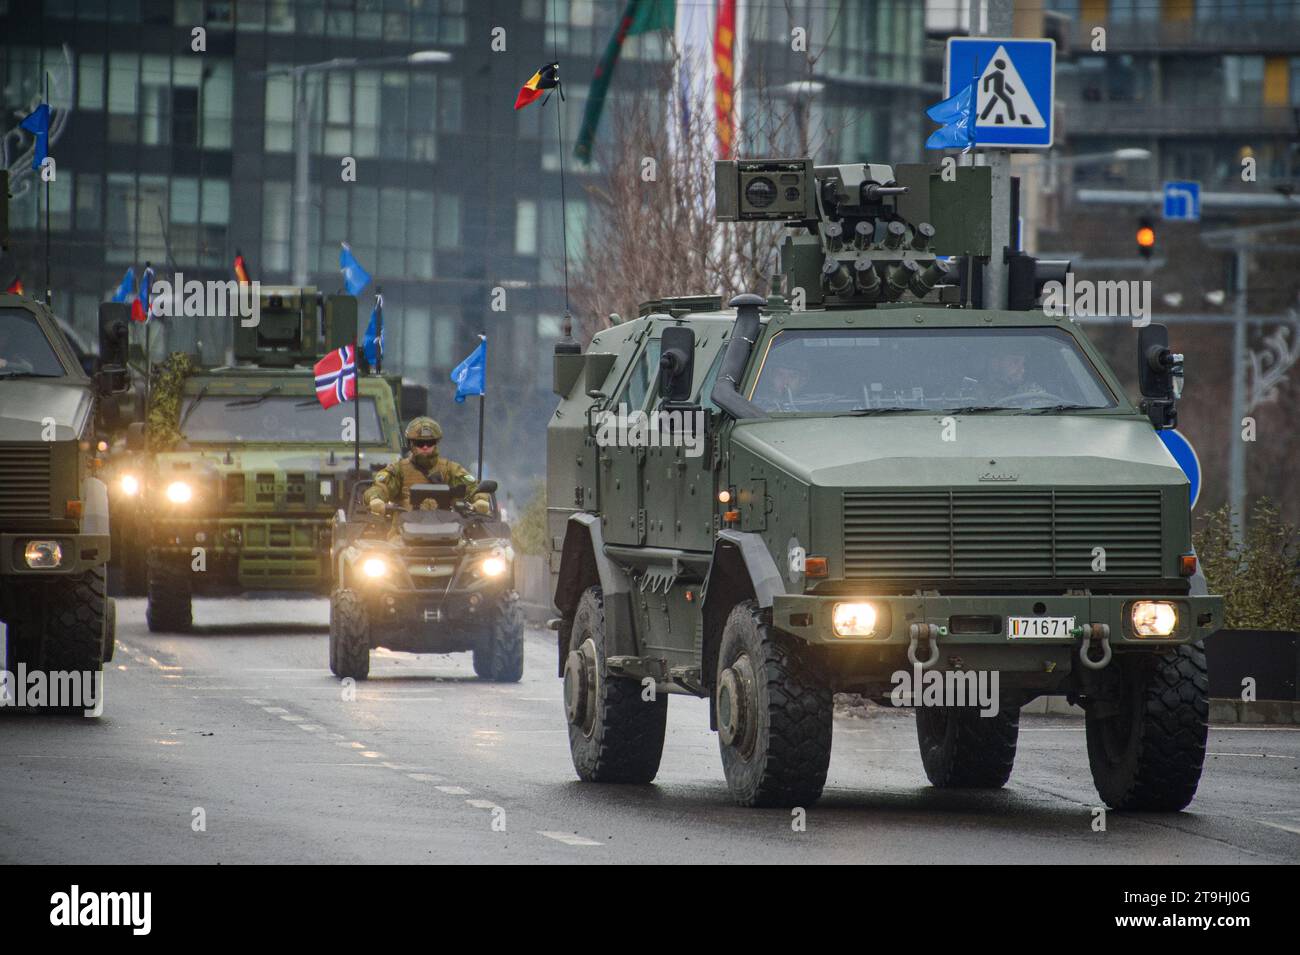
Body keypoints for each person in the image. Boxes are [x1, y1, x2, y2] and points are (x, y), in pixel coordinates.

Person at [364, 417, 490, 516]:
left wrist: (480, 500)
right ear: (412, 444)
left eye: (429, 443)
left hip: (448, 534)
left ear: (436, 444)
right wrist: (375, 499)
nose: (425, 447)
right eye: (420, 443)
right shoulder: (398, 470)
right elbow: (381, 487)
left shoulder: (451, 469)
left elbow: (473, 487)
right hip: (402, 537)